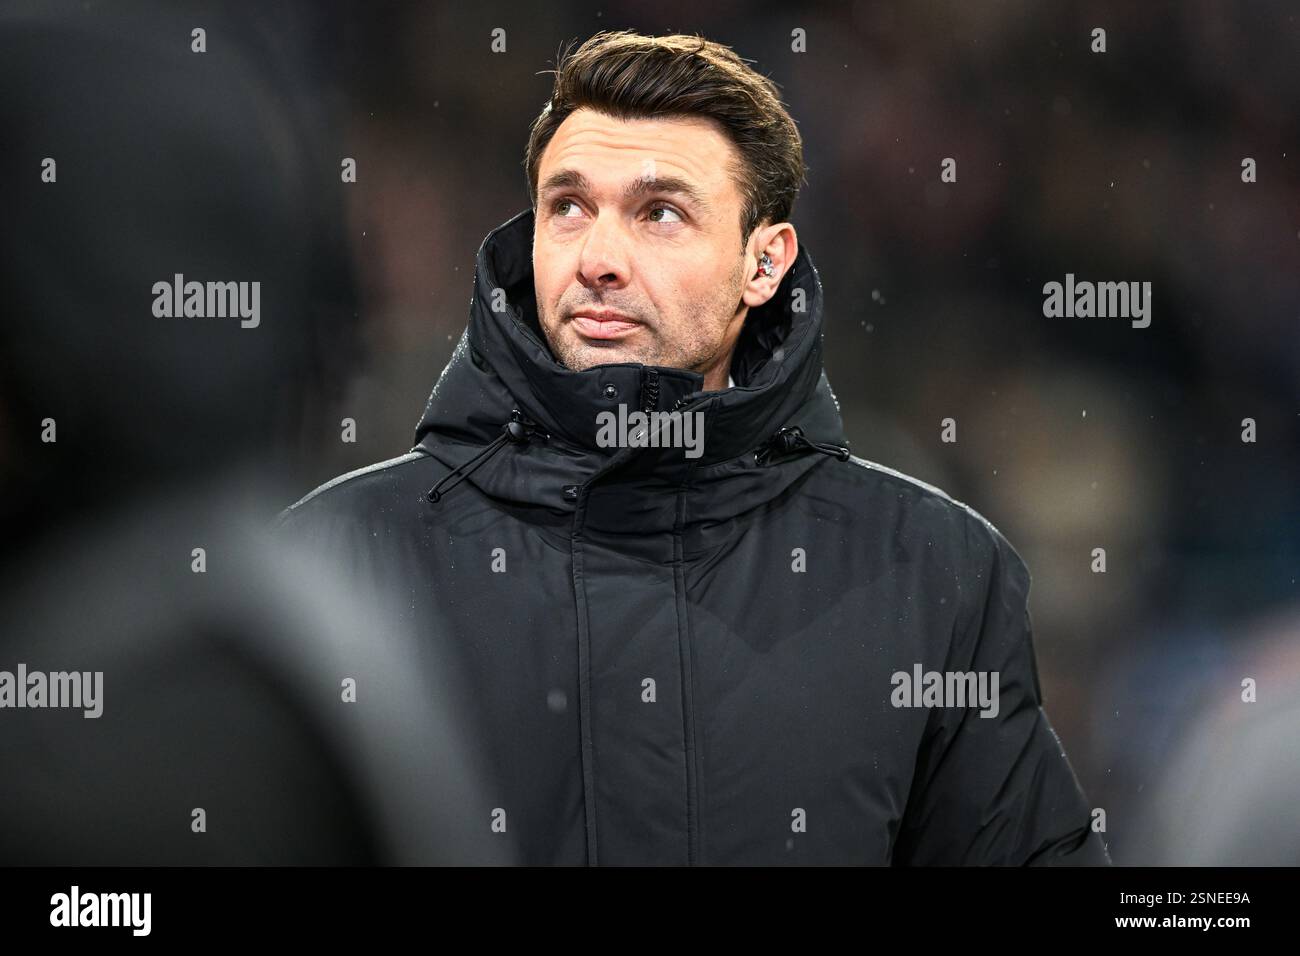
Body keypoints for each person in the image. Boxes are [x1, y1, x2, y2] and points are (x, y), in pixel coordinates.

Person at [275, 30, 1111, 865]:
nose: (598, 258)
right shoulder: (335, 562)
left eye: (659, 214)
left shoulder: (934, 575)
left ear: (763, 262)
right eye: (567, 206)